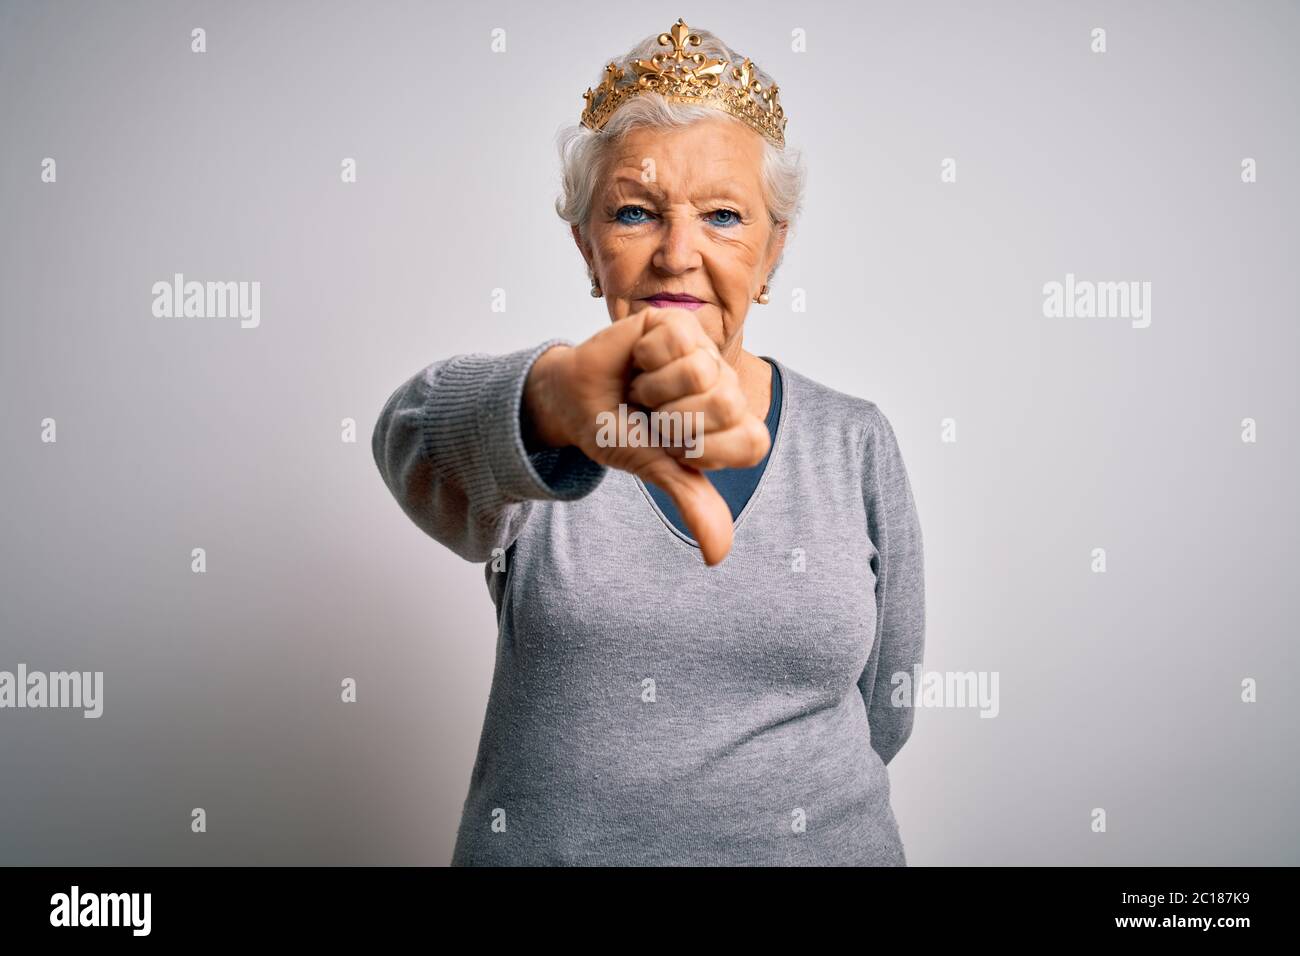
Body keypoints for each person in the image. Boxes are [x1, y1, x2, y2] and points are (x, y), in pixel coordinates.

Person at [372, 17, 926, 865]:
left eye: (724, 215)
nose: (677, 253)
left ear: (773, 251)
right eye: (634, 212)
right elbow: (410, 439)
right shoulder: (544, 433)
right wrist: (547, 403)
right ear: (588, 250)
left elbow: (884, 710)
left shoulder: (854, 442)